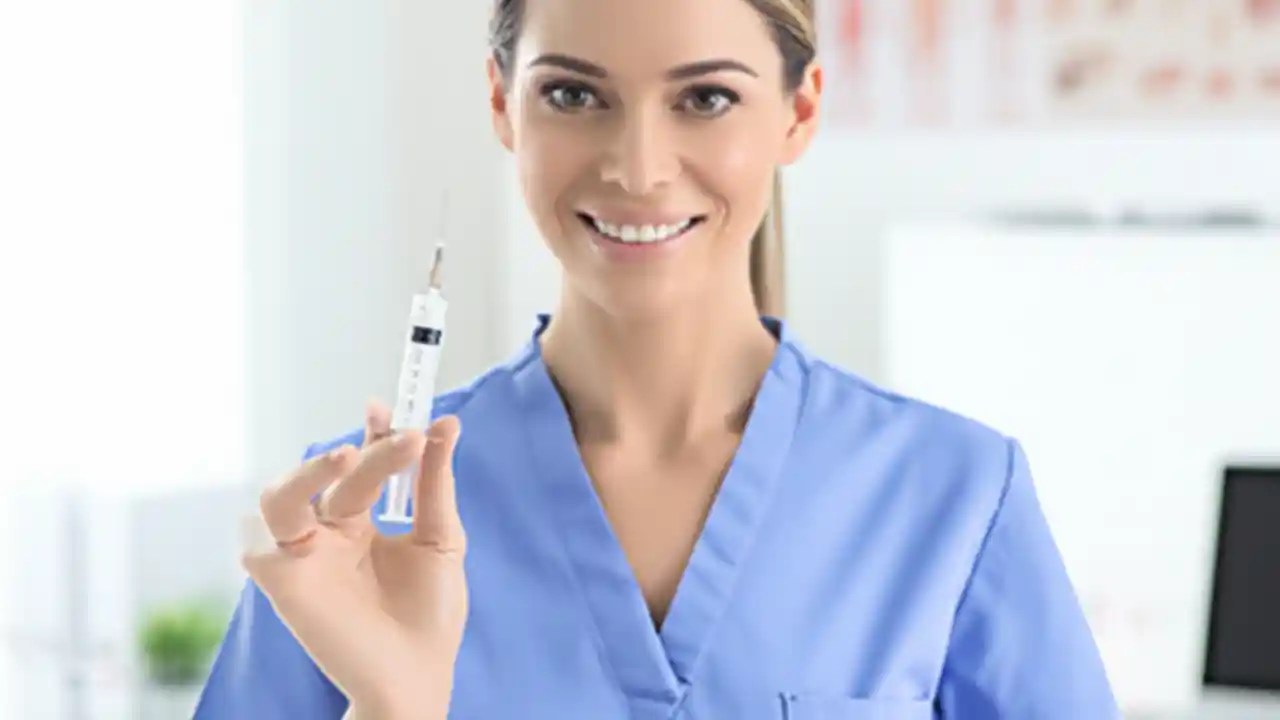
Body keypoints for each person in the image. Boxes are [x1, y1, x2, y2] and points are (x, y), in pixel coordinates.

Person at [196, 0, 1120, 717]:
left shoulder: (955, 496)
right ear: (501, 103)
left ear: (799, 111)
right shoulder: (354, 529)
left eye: (705, 99)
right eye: (573, 95)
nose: (637, 168)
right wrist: (392, 710)